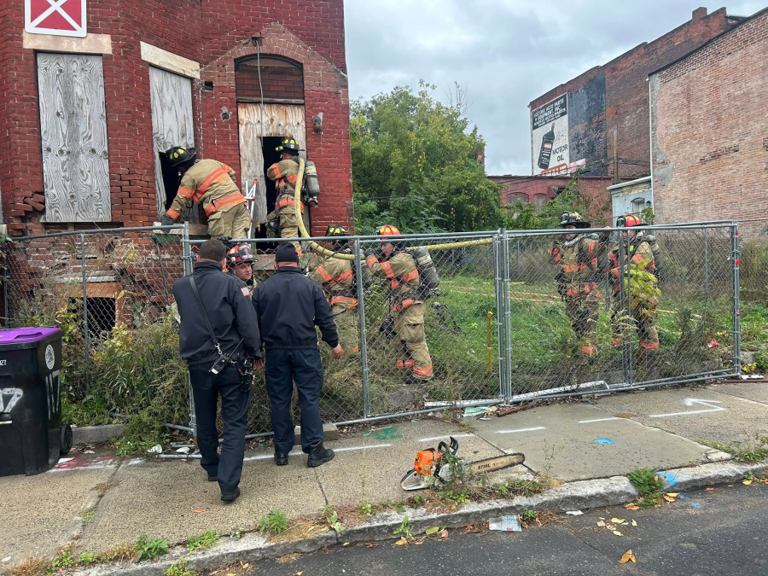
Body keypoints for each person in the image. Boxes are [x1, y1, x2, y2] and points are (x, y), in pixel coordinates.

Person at [172, 239, 261, 503]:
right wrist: (256, 353)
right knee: (234, 423)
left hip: (198, 365)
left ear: (197, 258)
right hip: (231, 363)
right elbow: (247, 322)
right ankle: (228, 485)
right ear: (224, 262)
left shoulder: (181, 286)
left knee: (205, 417)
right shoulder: (232, 284)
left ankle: (211, 467)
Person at [252, 243, 343, 468]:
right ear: (297, 263)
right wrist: (334, 343)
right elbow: (325, 318)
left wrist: (256, 350)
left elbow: (252, 324)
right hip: (305, 350)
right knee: (309, 398)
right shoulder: (311, 287)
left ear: (276, 264)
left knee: (280, 400)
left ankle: (281, 451)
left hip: (275, 352)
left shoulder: (262, 290)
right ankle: (314, 451)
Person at [366, 225, 433, 383]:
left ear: (394, 244)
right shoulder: (398, 258)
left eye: (384, 244)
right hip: (404, 306)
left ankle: (424, 376)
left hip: (412, 306)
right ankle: (410, 369)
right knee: (402, 338)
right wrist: (379, 253)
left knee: (414, 340)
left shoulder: (401, 260)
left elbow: (377, 270)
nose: (382, 248)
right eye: (380, 245)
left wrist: (370, 256)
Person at [549, 212, 608, 357]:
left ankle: (589, 357)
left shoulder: (585, 242)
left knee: (589, 324)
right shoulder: (565, 246)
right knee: (576, 324)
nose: (567, 231)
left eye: (570, 227)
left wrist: (605, 236)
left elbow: (598, 249)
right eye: (565, 228)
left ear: (578, 228)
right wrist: (555, 242)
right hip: (571, 292)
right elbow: (552, 260)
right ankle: (582, 350)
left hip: (587, 292)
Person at [160, 146, 251, 240]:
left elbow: (181, 200)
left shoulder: (189, 176)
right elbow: (231, 173)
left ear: (181, 167)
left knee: (220, 245)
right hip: (240, 204)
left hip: (221, 209)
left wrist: (169, 217)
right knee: (240, 244)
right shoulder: (211, 162)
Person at [608, 214, 660, 352]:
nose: (623, 234)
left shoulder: (643, 246)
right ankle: (620, 354)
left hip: (642, 293)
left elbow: (634, 267)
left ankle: (649, 355)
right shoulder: (620, 247)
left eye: (626, 231)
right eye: (621, 231)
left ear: (636, 231)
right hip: (623, 292)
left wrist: (614, 273)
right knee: (618, 322)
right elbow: (610, 260)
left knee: (645, 324)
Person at [308, 225, 360, 354]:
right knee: (351, 335)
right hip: (350, 302)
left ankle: (346, 361)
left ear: (334, 241)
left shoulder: (336, 260)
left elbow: (314, 278)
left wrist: (313, 267)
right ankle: (353, 363)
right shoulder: (349, 256)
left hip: (340, 306)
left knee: (342, 336)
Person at [265, 137, 305, 256]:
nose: (281, 156)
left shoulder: (287, 163)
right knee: (271, 221)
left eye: (282, 153)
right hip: (291, 207)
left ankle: (298, 263)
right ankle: (283, 253)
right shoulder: (298, 165)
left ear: (286, 153)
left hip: (289, 207)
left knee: (290, 238)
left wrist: (278, 162)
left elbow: (270, 173)